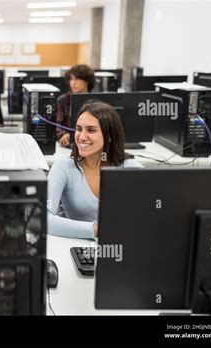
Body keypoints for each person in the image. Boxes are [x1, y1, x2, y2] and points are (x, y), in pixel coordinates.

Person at [47, 100, 143, 239]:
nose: (82, 136)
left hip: (123, 246)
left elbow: (152, 215)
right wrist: (96, 229)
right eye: (79, 129)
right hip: (75, 247)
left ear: (109, 136)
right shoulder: (64, 166)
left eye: (91, 130)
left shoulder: (131, 169)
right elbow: (40, 219)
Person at [56, 64, 96, 147]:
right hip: (69, 145)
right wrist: (63, 135)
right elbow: (58, 124)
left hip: (91, 143)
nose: (73, 83)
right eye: (71, 79)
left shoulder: (96, 101)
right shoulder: (63, 100)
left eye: (77, 79)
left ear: (87, 81)